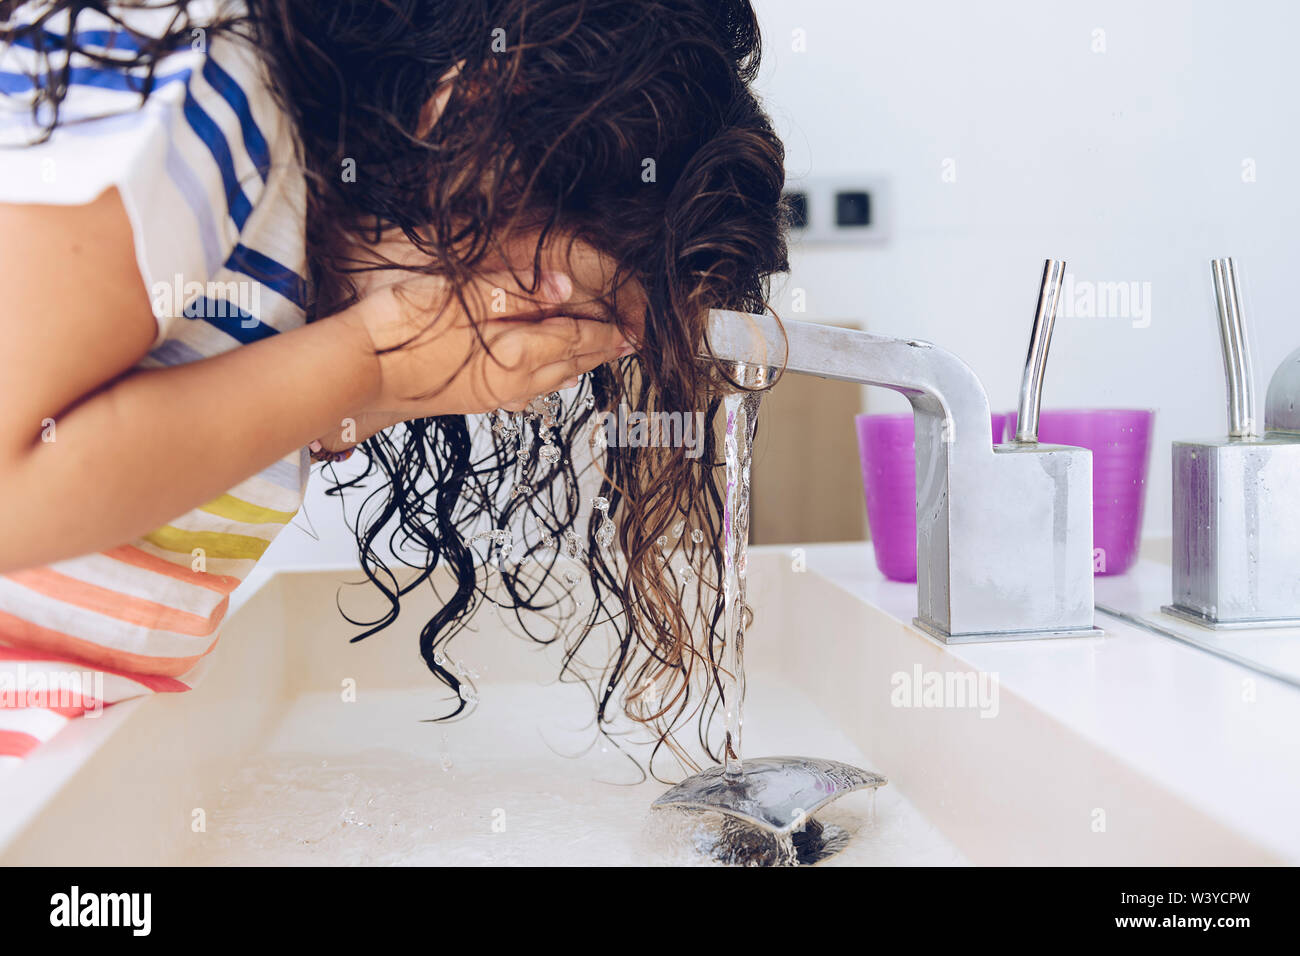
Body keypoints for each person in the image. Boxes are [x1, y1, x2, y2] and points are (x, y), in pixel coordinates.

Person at [0, 0, 788, 773]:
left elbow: (154, 449)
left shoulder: (308, 272)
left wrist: (368, 393)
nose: (533, 371)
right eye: (553, 309)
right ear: (469, 121)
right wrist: (368, 361)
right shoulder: (200, 93)